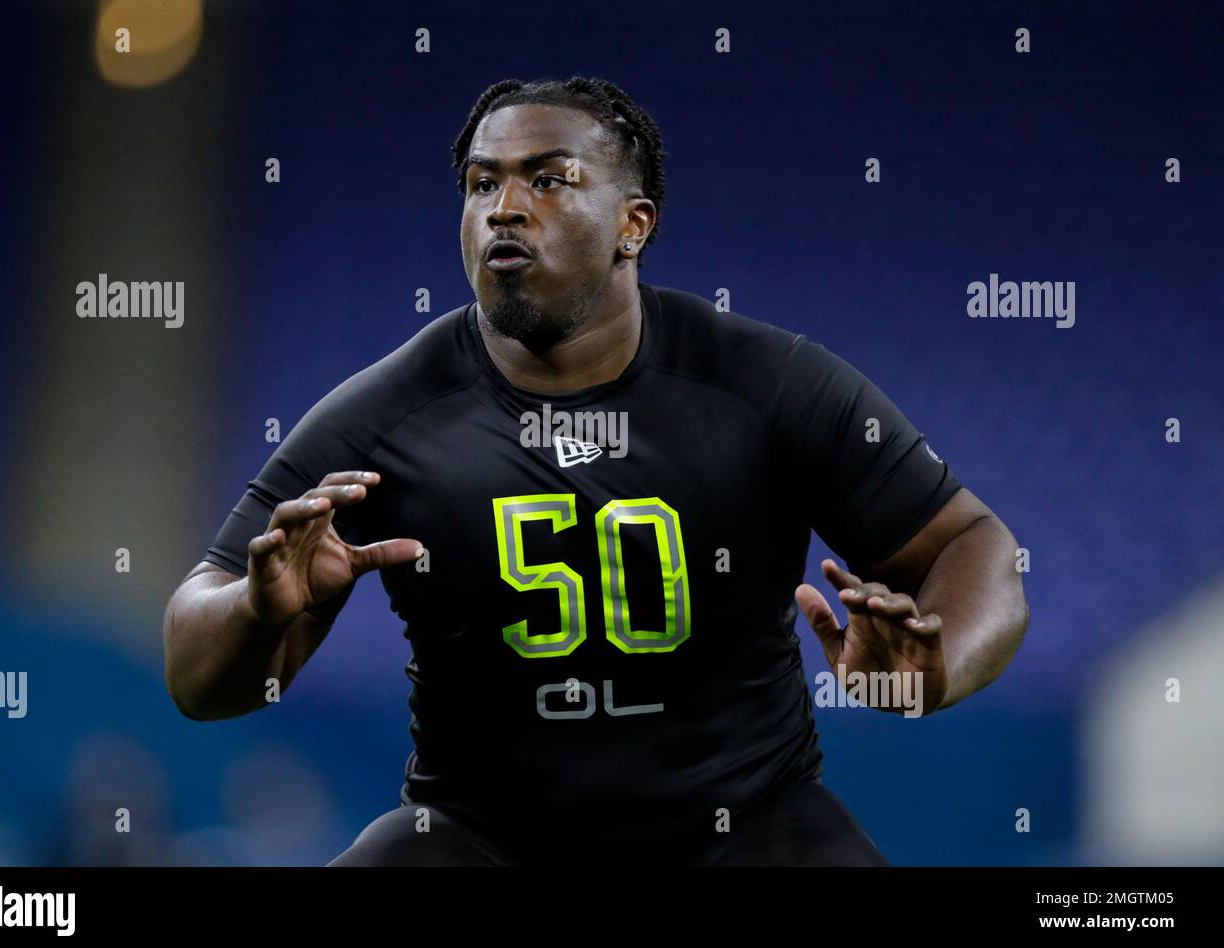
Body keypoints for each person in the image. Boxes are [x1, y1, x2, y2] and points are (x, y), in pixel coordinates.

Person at [162, 76, 1029, 866]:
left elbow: (972, 542)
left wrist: (940, 662)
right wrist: (254, 611)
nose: (506, 207)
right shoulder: (383, 416)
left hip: (746, 829)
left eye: (548, 178)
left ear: (633, 224)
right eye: (482, 182)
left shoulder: (768, 384)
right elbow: (197, 678)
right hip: (483, 841)